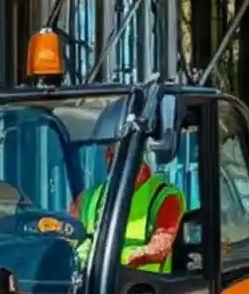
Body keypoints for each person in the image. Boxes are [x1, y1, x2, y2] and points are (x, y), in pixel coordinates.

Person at [70, 99, 186, 273]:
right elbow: (67, 241)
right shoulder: (86, 199)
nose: (110, 157)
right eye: (108, 150)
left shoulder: (165, 197)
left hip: (144, 291)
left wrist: (111, 260)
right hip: (92, 290)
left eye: (118, 151)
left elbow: (159, 248)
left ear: (139, 153)